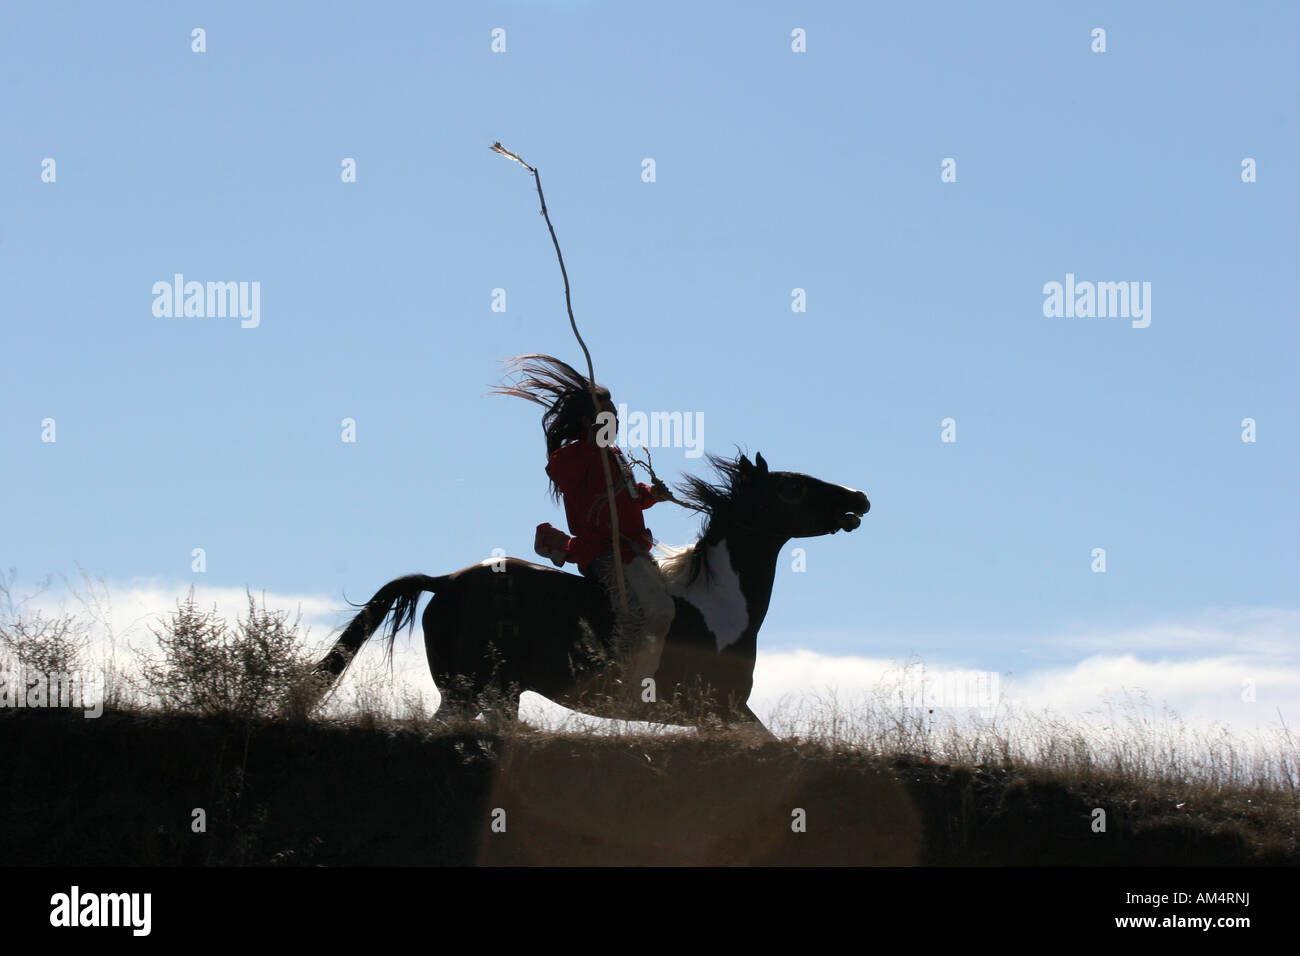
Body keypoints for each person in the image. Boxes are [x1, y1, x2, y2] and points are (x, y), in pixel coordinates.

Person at [496, 355, 675, 705]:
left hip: (634, 552)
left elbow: (626, 497)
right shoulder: (575, 456)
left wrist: (652, 495)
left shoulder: (614, 455)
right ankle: (632, 690)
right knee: (656, 612)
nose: (616, 422)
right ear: (587, 421)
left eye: (616, 416)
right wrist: (592, 443)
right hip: (606, 555)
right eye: (608, 417)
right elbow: (557, 470)